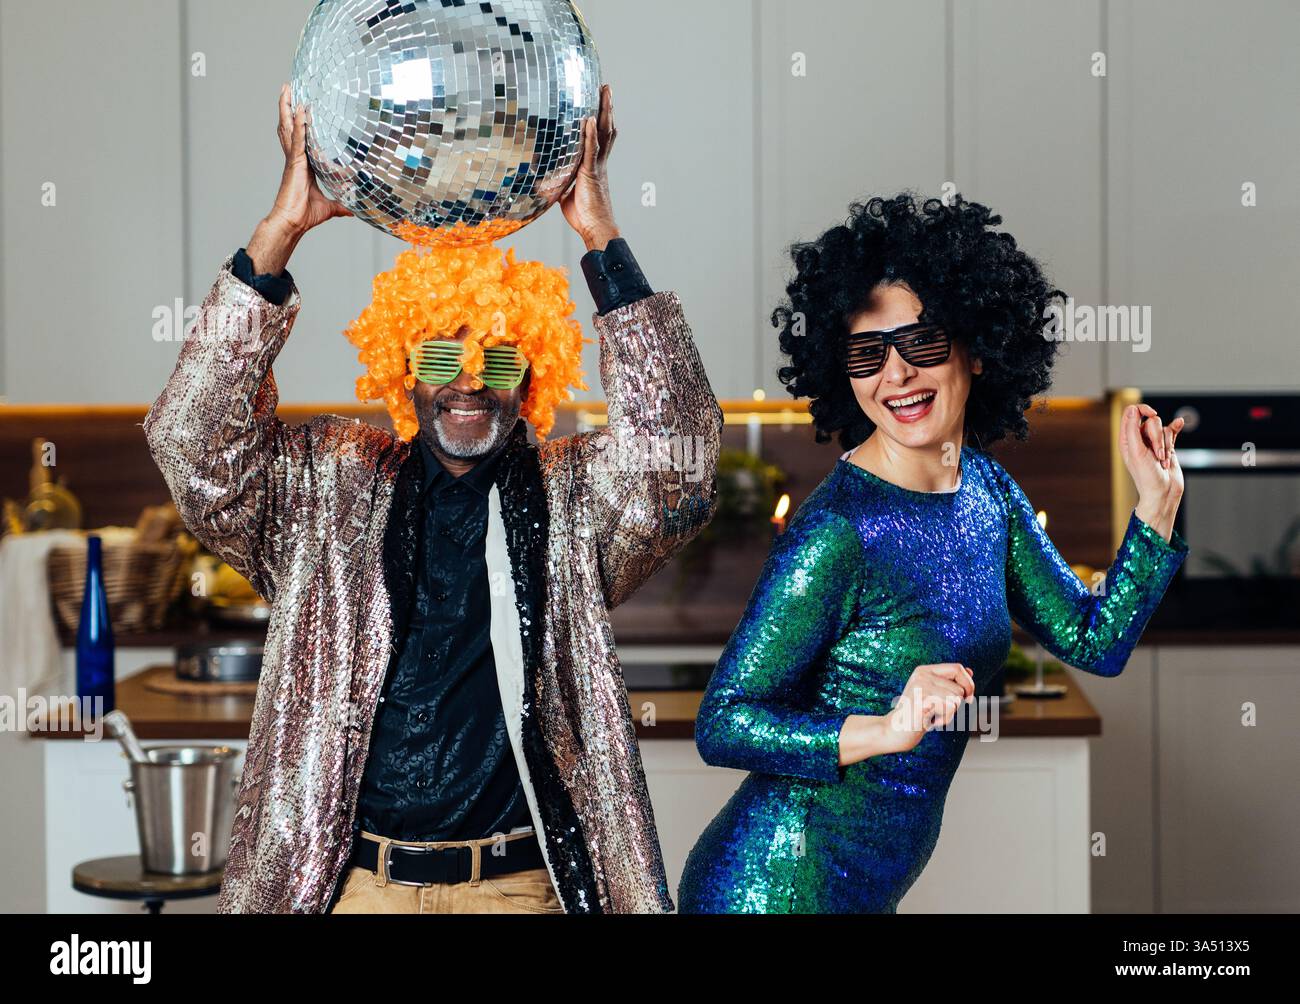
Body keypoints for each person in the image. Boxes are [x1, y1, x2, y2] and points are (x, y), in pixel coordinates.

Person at [144, 82, 722, 914]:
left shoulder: (573, 501)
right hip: (354, 887)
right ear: (403, 372)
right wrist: (280, 234)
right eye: (443, 362)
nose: (469, 387)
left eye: (496, 362)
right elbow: (191, 445)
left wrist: (600, 233)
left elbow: (682, 463)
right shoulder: (328, 486)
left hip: (519, 887)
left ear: (530, 380)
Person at [676, 192, 1187, 913]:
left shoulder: (986, 488)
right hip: (771, 889)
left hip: (865, 890)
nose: (896, 375)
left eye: (921, 343)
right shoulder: (840, 530)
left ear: (976, 348)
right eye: (867, 353)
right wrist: (888, 728)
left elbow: (1093, 639)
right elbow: (723, 722)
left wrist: (1157, 508)